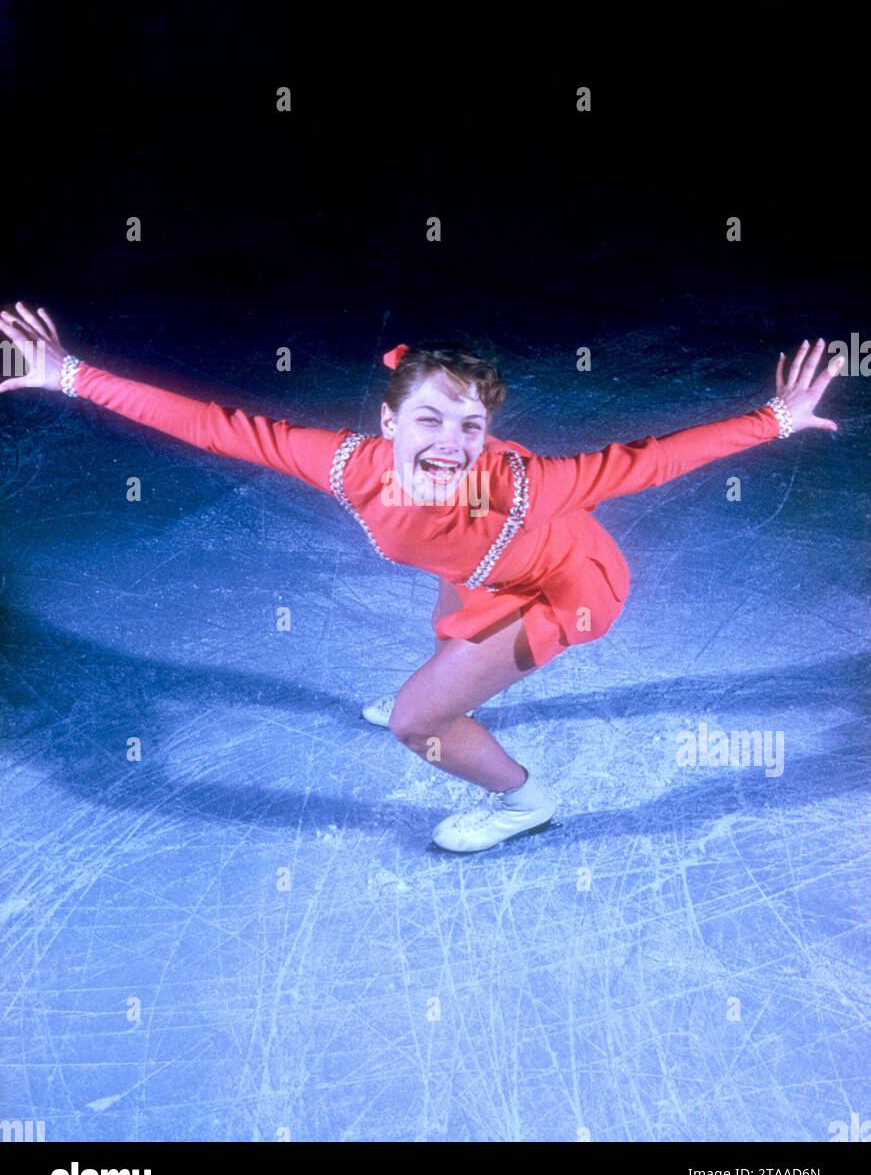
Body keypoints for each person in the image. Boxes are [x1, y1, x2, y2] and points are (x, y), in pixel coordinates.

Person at [0, 302, 844, 851]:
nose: (450, 441)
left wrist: (774, 420)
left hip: (567, 590)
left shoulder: (521, 488)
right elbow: (214, 425)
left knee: (414, 720)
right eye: (430, 418)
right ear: (387, 421)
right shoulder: (344, 465)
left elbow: (652, 460)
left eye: (469, 424)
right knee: (449, 637)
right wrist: (69, 373)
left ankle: (522, 799)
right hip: (480, 575)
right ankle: (456, 682)